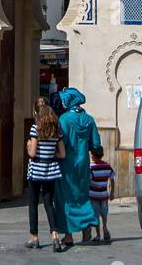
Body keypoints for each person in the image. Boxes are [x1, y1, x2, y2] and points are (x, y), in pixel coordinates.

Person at [54, 87, 101, 247]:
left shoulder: (64, 120)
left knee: (66, 200)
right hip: (84, 165)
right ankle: (87, 229)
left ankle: (68, 235)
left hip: (67, 165)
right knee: (82, 197)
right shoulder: (89, 119)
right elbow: (95, 144)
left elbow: (62, 144)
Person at [25, 97, 65, 252]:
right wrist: (50, 154)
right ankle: (55, 235)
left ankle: (34, 237)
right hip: (51, 169)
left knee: (33, 203)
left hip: (36, 169)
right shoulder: (57, 129)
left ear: (36, 112)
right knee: (49, 203)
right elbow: (62, 154)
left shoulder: (35, 128)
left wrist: (28, 146)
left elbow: (32, 153)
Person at [88, 145, 115, 244]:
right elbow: (112, 178)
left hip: (93, 195)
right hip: (104, 195)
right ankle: (105, 227)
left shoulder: (91, 167)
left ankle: (98, 234)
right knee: (104, 214)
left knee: (95, 215)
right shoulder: (107, 166)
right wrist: (112, 192)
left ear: (92, 155)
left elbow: (88, 180)